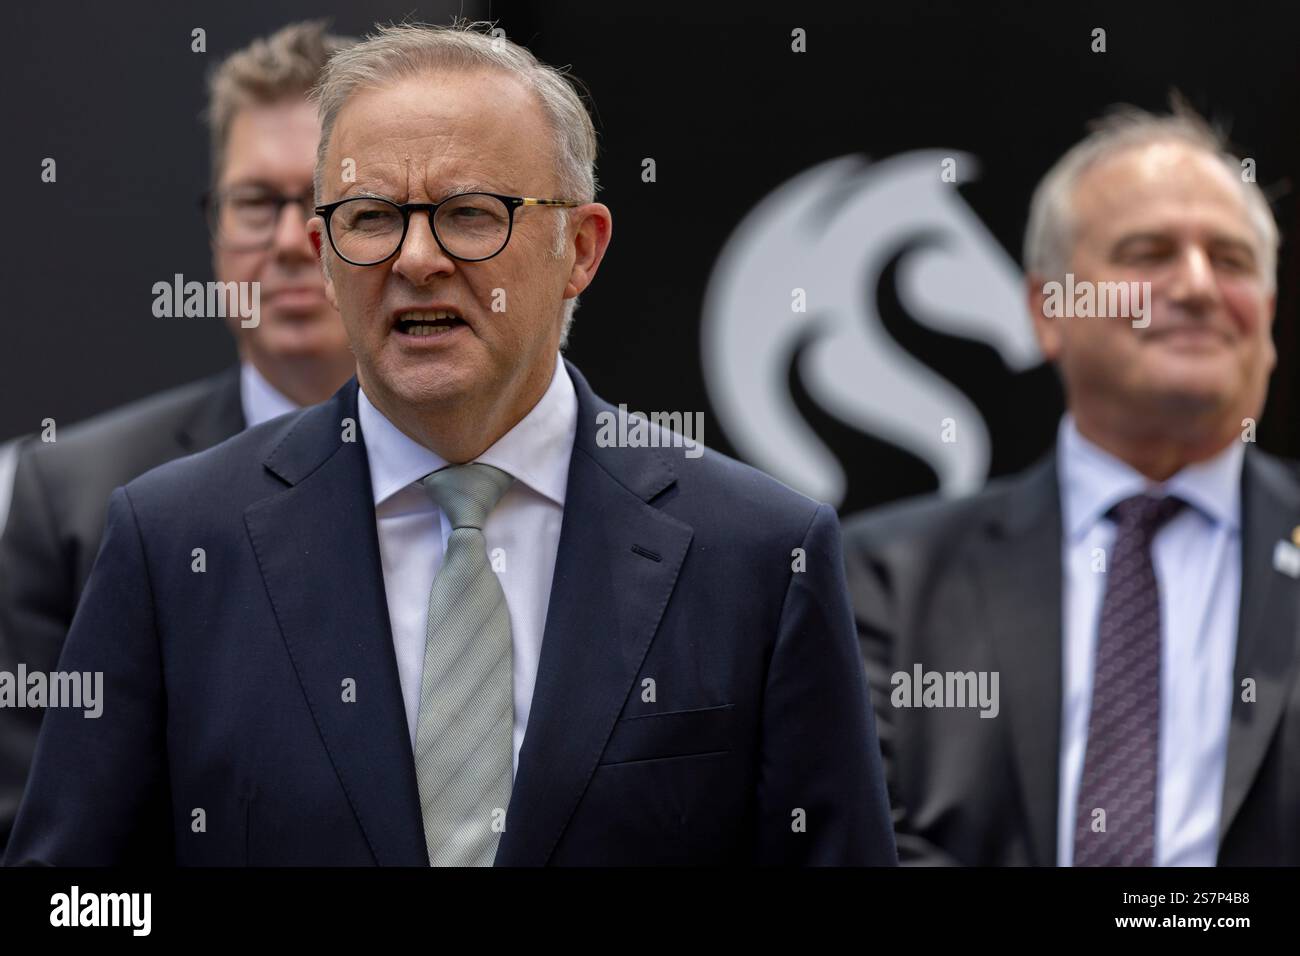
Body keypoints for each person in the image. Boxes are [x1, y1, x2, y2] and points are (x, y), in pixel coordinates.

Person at [4, 22, 896, 867]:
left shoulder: (759, 552)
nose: (416, 258)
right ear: (323, 252)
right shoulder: (174, 543)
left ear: (579, 248)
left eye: (471, 213)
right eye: (371, 217)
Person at [844, 99, 1299, 866]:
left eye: (1231, 261)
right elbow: (863, 841)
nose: (1195, 287)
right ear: (1047, 310)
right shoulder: (884, 580)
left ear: (1269, 316)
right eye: (1149, 252)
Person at [0, 21, 357, 849]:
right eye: (255, 203)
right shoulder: (75, 499)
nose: (286, 243)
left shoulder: (481, 477)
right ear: (212, 230)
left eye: (322, 203)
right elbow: (38, 838)